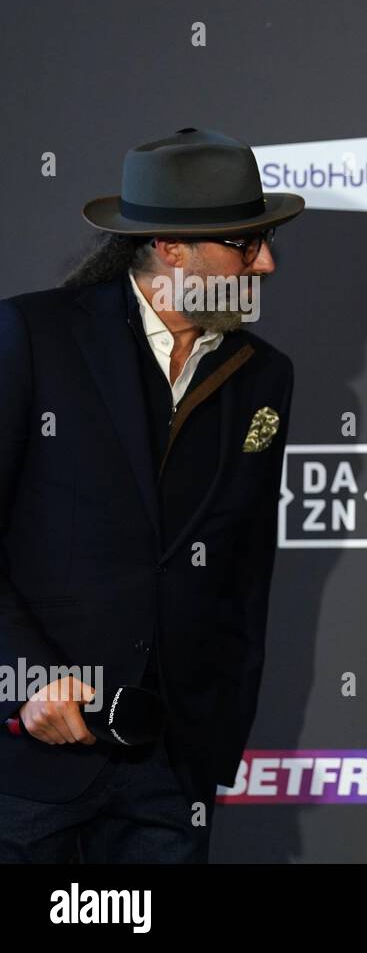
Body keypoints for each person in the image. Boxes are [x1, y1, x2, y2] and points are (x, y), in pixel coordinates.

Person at [0, 128, 302, 861]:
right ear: (171, 247)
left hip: (171, 767)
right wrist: (24, 680)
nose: (266, 261)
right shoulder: (34, 336)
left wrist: (215, 736)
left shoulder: (265, 374)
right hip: (34, 752)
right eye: (245, 242)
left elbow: (245, 567)